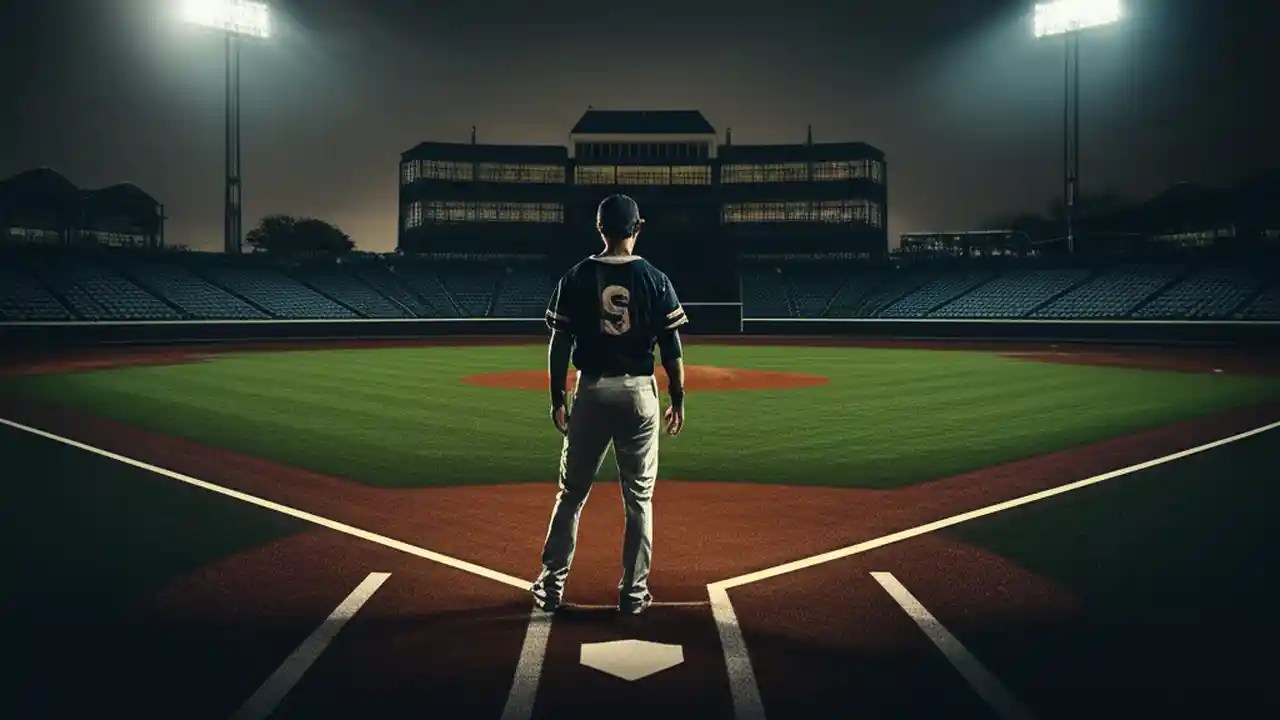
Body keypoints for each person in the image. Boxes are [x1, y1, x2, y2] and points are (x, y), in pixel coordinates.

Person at [531, 193, 688, 615]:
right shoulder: (656, 279)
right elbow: (672, 347)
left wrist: (556, 398)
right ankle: (633, 596)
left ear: (600, 228)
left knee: (572, 493)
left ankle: (550, 587)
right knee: (639, 499)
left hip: (593, 390)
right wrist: (678, 397)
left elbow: (558, 341)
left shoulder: (577, 276)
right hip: (639, 392)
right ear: (637, 228)